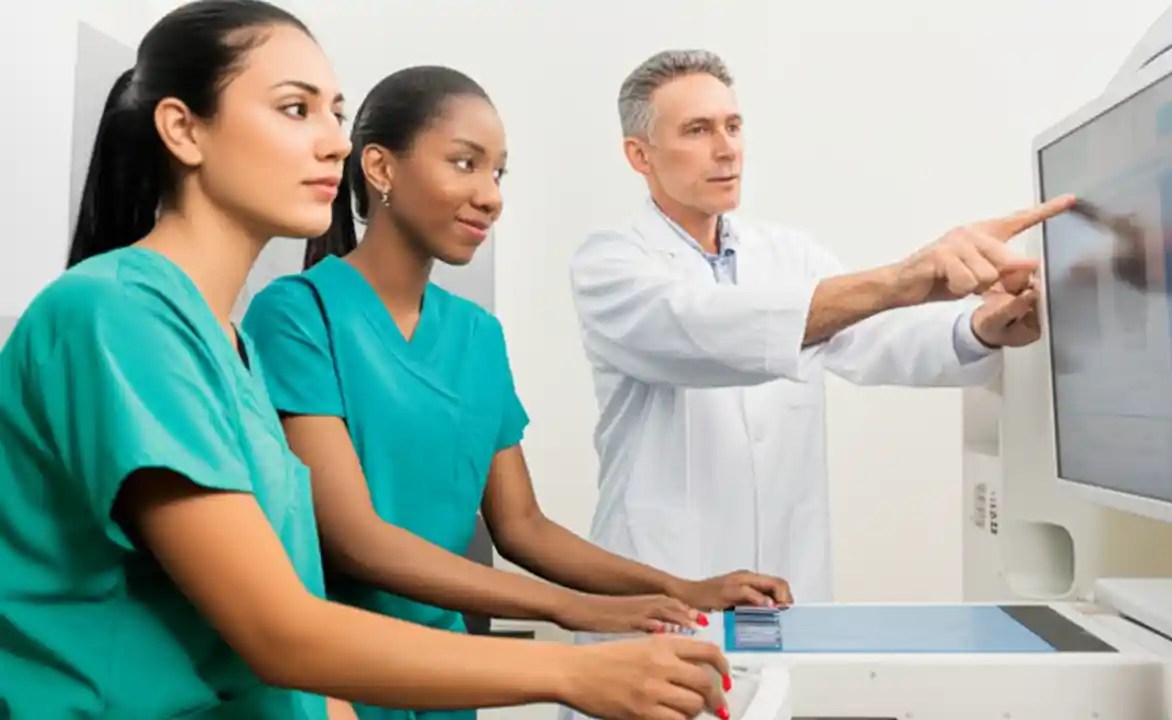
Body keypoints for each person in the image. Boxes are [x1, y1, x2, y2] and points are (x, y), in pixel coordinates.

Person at [0, 6, 732, 719]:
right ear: (183, 129)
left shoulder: (229, 346)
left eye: (336, 114)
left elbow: (281, 630)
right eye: (296, 109)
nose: (335, 144)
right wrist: (574, 666)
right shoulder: (118, 317)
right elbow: (285, 629)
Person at [240, 64, 784, 720]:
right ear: (380, 169)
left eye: (497, 174)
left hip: (449, 678)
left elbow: (522, 525)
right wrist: (573, 609)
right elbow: (356, 536)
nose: (490, 195)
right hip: (338, 675)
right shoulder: (297, 315)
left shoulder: (477, 335)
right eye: (465, 164)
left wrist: (681, 587)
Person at [568, 49, 1076, 604]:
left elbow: (874, 338)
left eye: (733, 126)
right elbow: (706, 329)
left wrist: (980, 328)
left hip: (786, 576)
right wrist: (900, 278)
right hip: (660, 581)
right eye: (698, 130)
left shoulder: (789, 254)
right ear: (640, 155)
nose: (726, 148)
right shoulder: (611, 265)